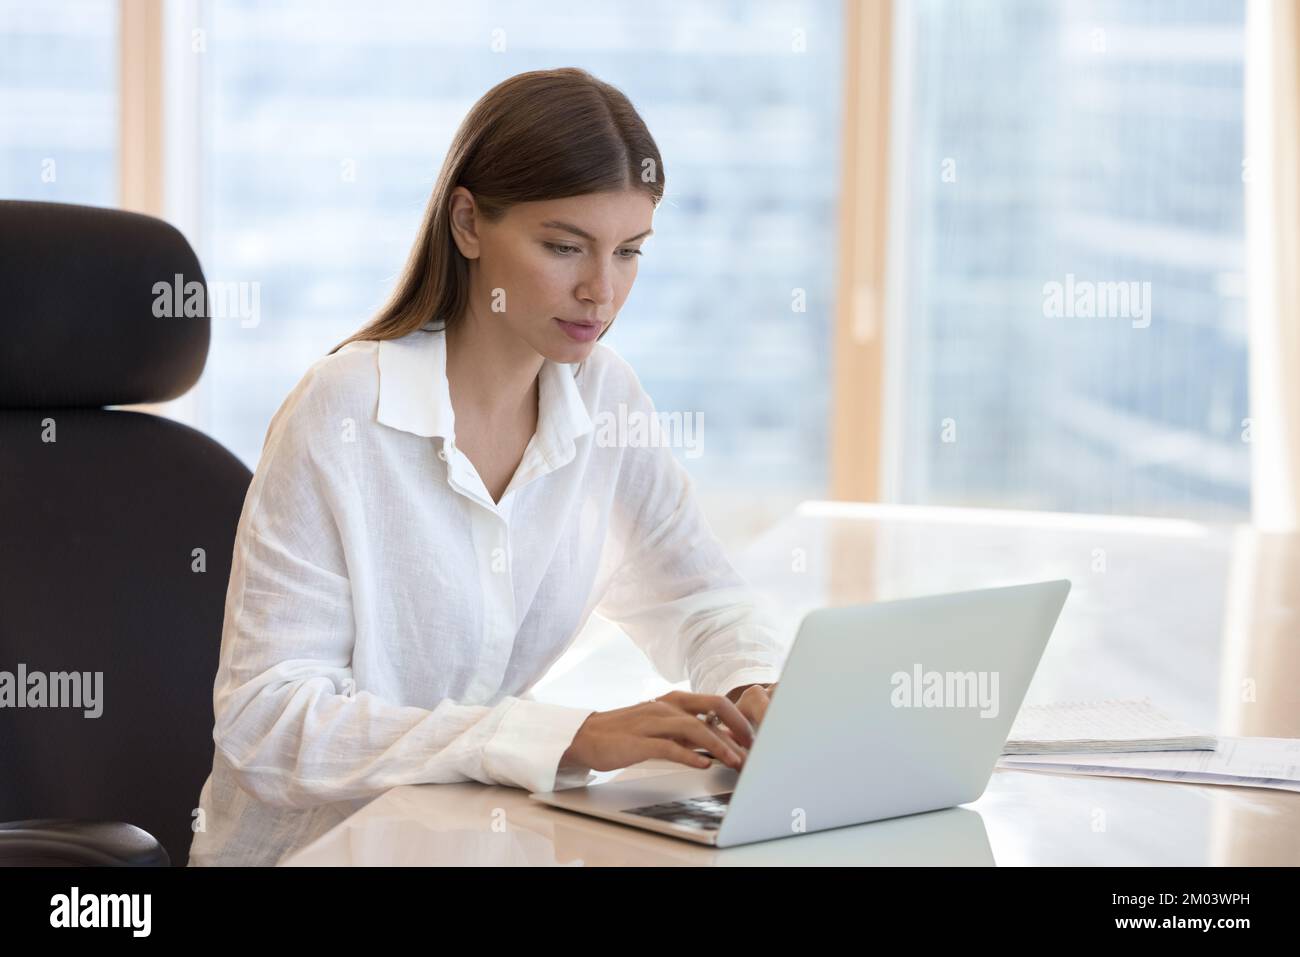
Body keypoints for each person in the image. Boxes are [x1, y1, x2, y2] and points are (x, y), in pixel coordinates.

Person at [187, 67, 783, 867]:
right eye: (563, 246)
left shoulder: (604, 397)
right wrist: (560, 736)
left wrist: (753, 688)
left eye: (629, 252)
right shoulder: (344, 411)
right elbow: (268, 721)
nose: (600, 291)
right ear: (468, 223)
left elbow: (698, 596)